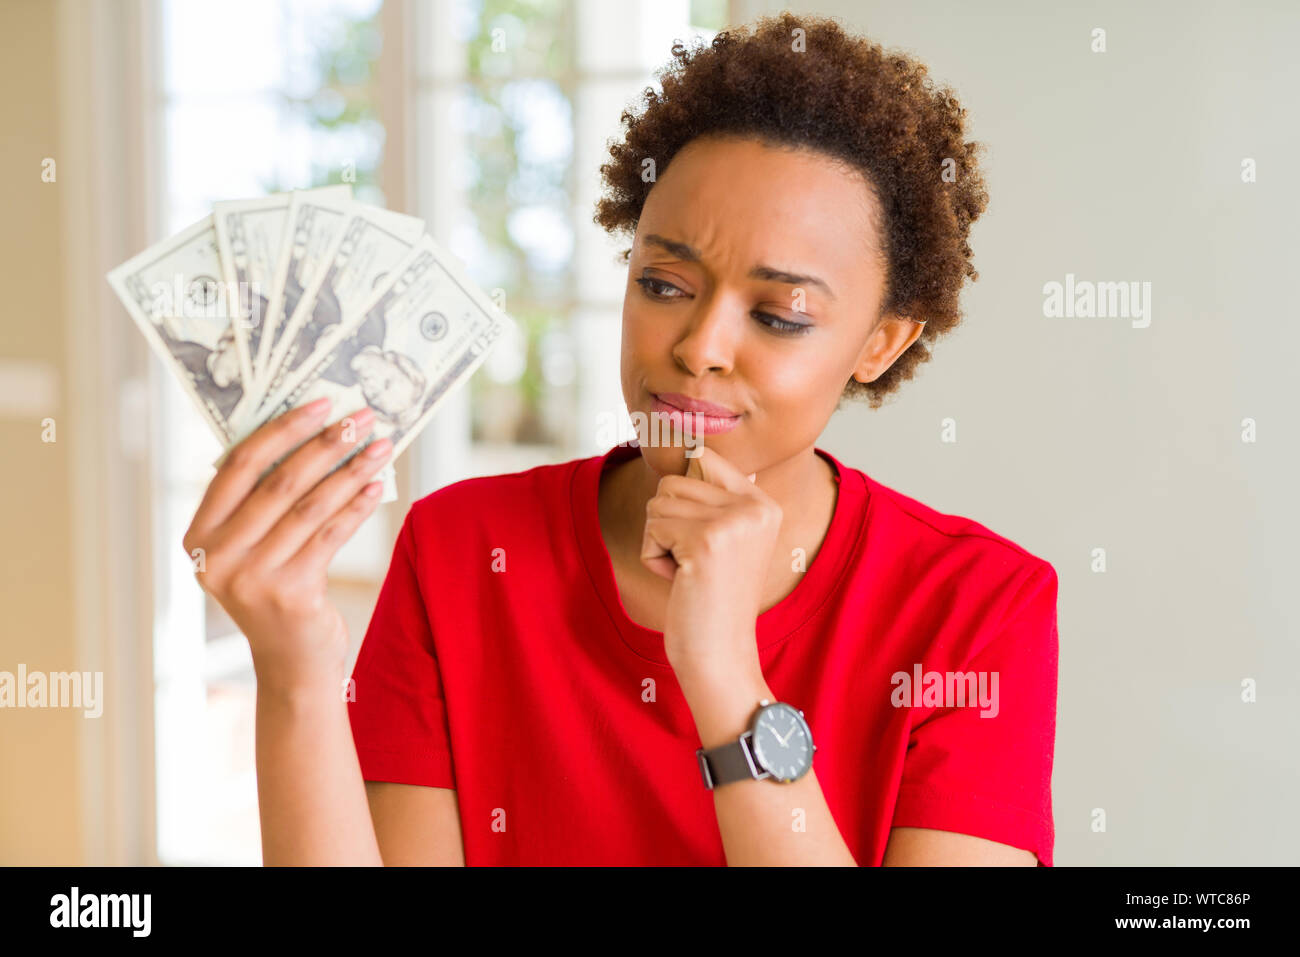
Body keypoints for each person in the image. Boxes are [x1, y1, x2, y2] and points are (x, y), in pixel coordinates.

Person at [183, 12, 1059, 866]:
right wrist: (295, 670)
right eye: (665, 283)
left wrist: (724, 676)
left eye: (779, 314)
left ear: (881, 343)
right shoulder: (460, 549)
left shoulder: (979, 610)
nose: (698, 348)